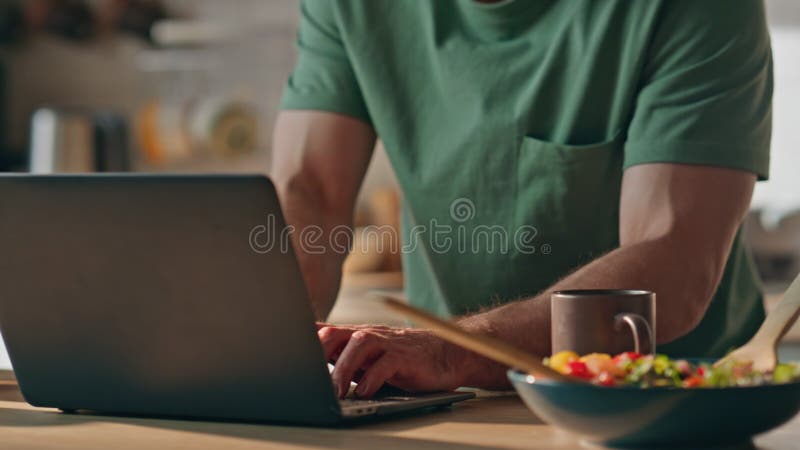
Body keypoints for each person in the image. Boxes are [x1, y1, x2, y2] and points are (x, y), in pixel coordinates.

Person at [271, 0, 773, 398]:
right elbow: (310, 192)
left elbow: (674, 259)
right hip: (446, 400)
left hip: (665, 406)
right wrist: (266, 339)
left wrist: (451, 352)